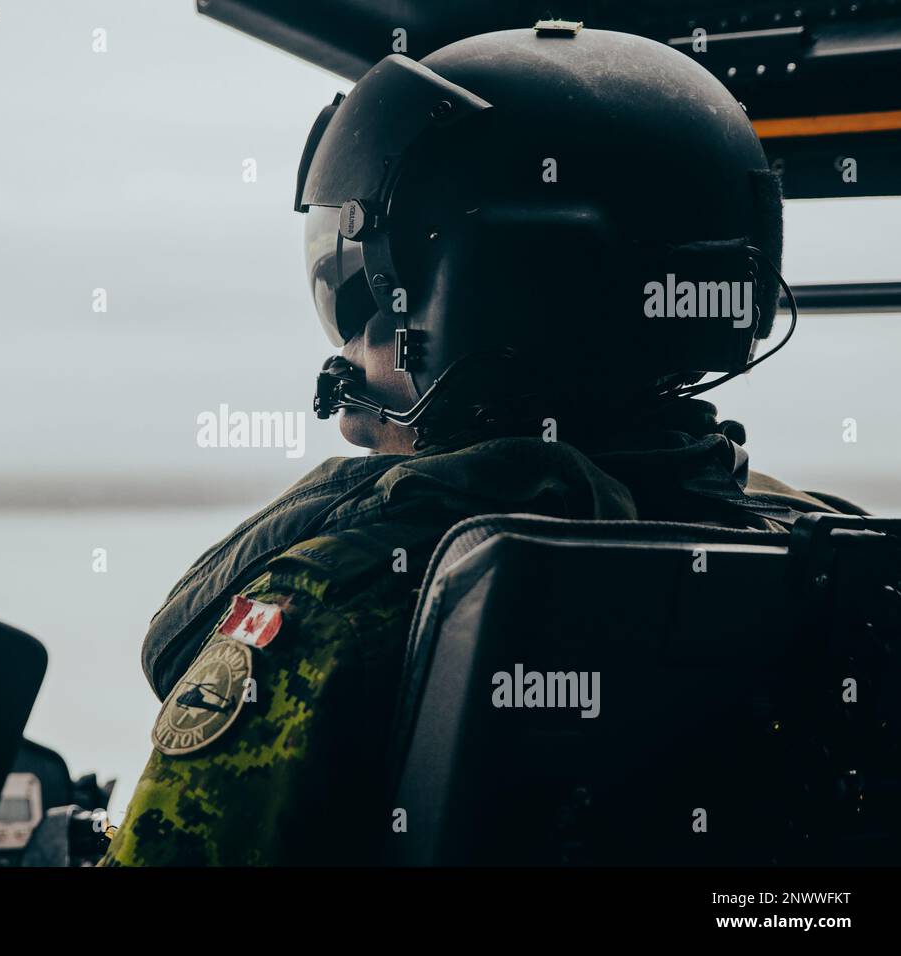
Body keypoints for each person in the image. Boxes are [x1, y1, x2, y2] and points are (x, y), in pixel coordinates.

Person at [99, 23, 867, 866]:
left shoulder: (353, 596)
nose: (349, 336)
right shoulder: (838, 561)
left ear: (473, 298)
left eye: (363, 287)